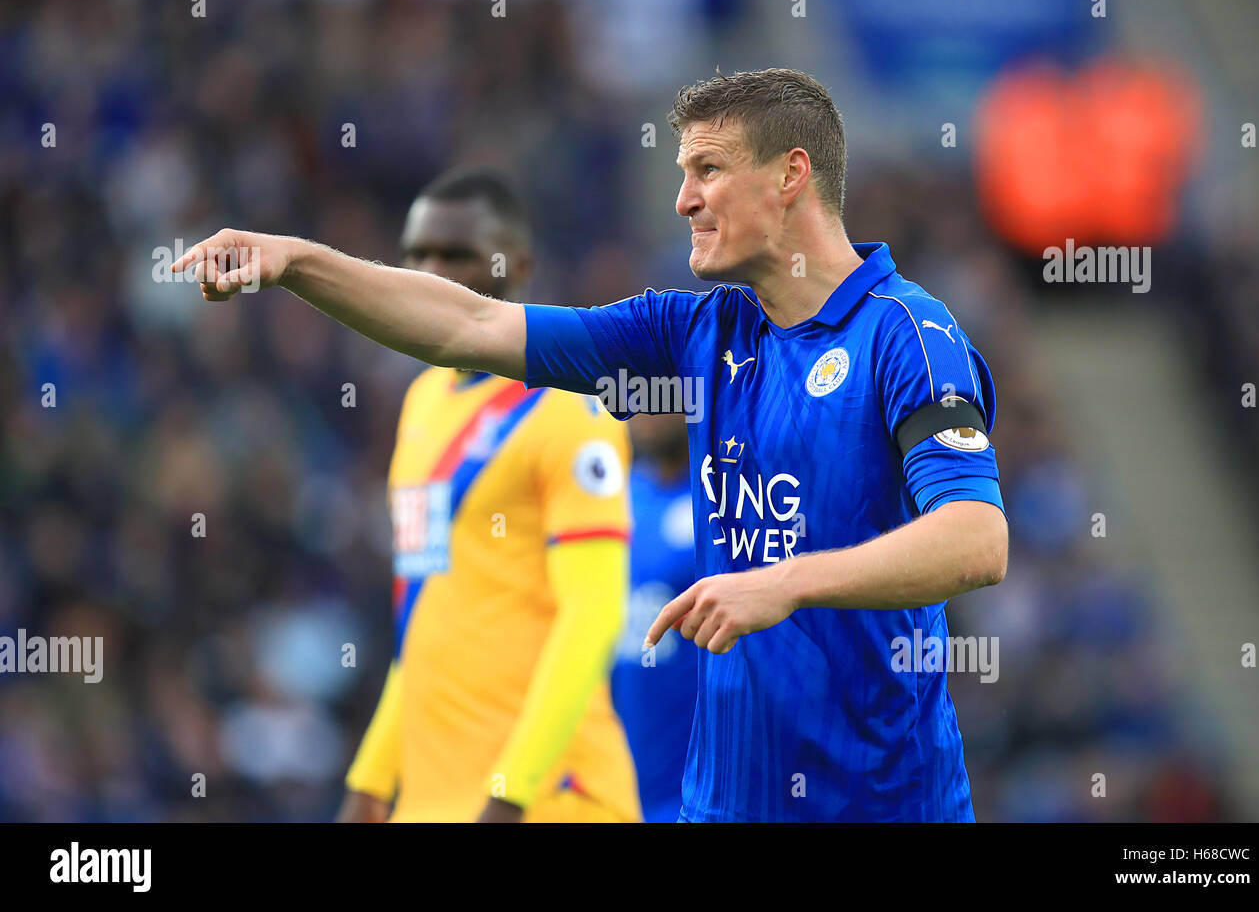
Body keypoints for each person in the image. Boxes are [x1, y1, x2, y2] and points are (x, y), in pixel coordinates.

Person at [177, 68, 1008, 822]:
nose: (683, 198)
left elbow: (977, 538)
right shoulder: (695, 330)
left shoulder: (907, 333)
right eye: (682, 173)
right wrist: (295, 261)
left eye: (708, 170)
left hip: (883, 802)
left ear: (791, 175)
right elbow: (470, 323)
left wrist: (784, 583)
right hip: (721, 804)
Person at [333, 167, 640, 823]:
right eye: (417, 253)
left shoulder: (568, 405)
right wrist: (370, 779)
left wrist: (509, 791)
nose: (430, 269)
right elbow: (427, 615)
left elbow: (592, 618)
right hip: (434, 801)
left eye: (456, 254)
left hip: (553, 800)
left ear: (517, 264)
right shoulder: (421, 403)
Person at [612, 414, 697, 823]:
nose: (642, 407)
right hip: (613, 798)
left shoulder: (726, 504)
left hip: (695, 799)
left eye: (660, 384)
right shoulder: (617, 496)